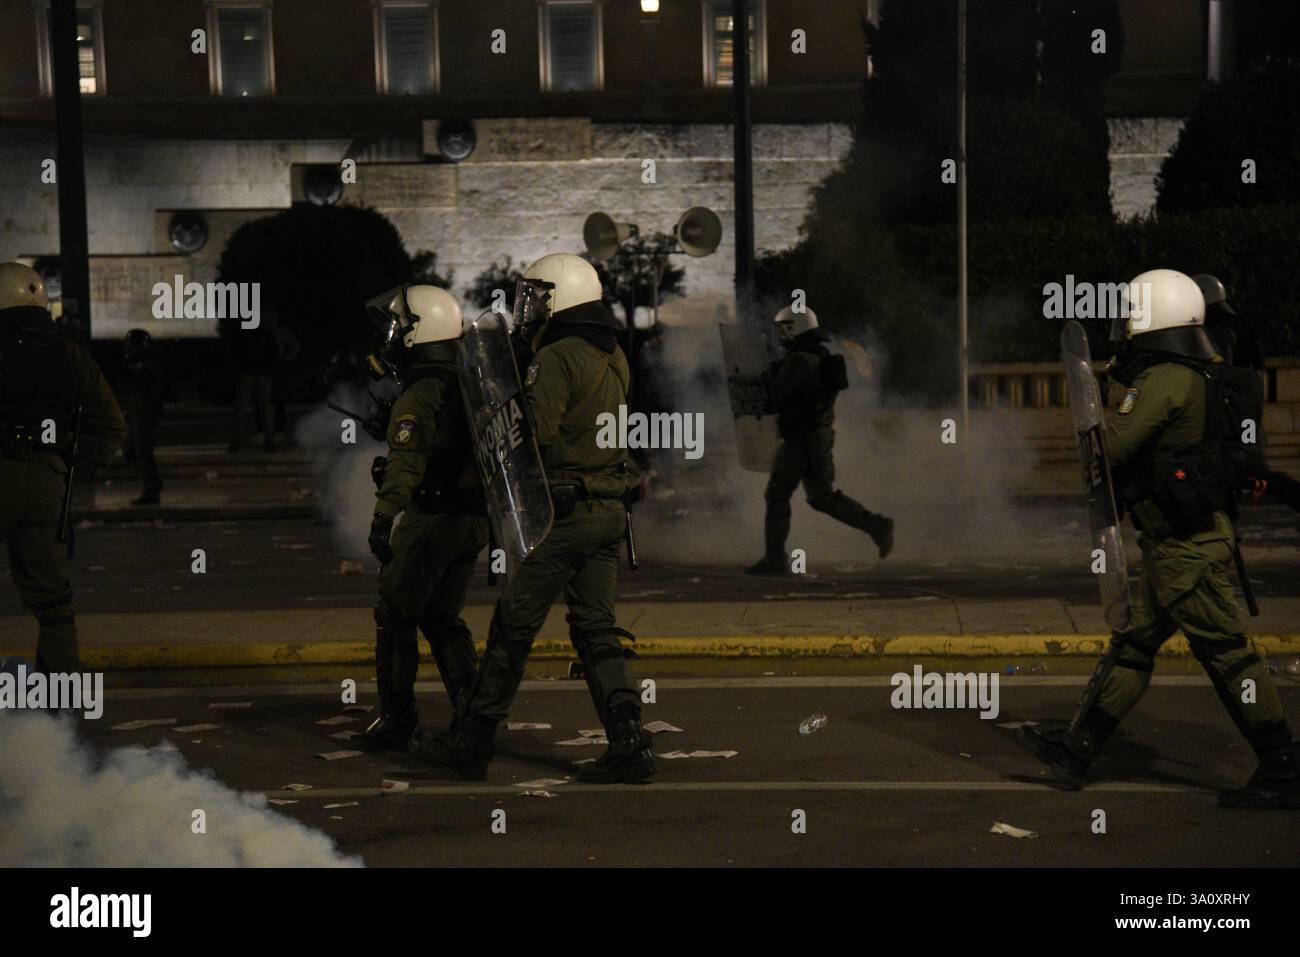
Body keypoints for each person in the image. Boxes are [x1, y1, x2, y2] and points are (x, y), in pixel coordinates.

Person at [1020, 268, 1297, 809]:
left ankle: (1282, 763)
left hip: (1186, 548)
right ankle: (1079, 748)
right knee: (1135, 643)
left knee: (1228, 654)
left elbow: (1114, 445)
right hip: (1176, 543)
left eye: (1133, 311)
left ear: (1152, 314)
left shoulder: (1166, 376)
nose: (1126, 322)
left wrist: (1106, 390)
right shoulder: (1193, 369)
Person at [410, 253, 654, 783]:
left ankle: (472, 741)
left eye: (541, 297)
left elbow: (531, 439)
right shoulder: (614, 356)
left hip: (562, 518)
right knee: (596, 631)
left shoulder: (560, 356)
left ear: (563, 298)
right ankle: (630, 737)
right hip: (608, 513)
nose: (531, 308)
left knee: (512, 630)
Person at [358, 284, 488, 751]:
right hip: (472, 519)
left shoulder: (422, 391)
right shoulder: (471, 378)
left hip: (433, 518)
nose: (393, 335)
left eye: (401, 326)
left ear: (420, 330)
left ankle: (397, 720)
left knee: (394, 614)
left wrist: (384, 514)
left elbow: (409, 462)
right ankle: (472, 716)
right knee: (441, 615)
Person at [0, 262, 125, 675]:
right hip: (46, 481)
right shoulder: (66, 354)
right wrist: (73, 464)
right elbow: (110, 425)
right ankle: (58, 720)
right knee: (54, 608)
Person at [746, 305, 894, 575]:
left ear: (795, 328)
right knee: (821, 497)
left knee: (777, 493)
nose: (780, 335)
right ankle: (876, 525)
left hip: (801, 437)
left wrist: (755, 385)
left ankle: (775, 557)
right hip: (819, 435)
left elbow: (775, 395)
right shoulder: (818, 356)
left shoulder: (800, 360)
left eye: (784, 328)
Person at [1193, 273, 1300, 511]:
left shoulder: (1218, 329)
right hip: (1243, 406)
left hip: (1235, 406)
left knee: (1245, 466)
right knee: (1247, 457)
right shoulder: (1234, 324)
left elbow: (1222, 369)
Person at [120, 329, 165, 505]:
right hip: (139, 413)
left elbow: (150, 393)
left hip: (145, 413)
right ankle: (152, 485)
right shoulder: (141, 364)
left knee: (142, 451)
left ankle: (152, 487)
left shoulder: (151, 365)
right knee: (133, 450)